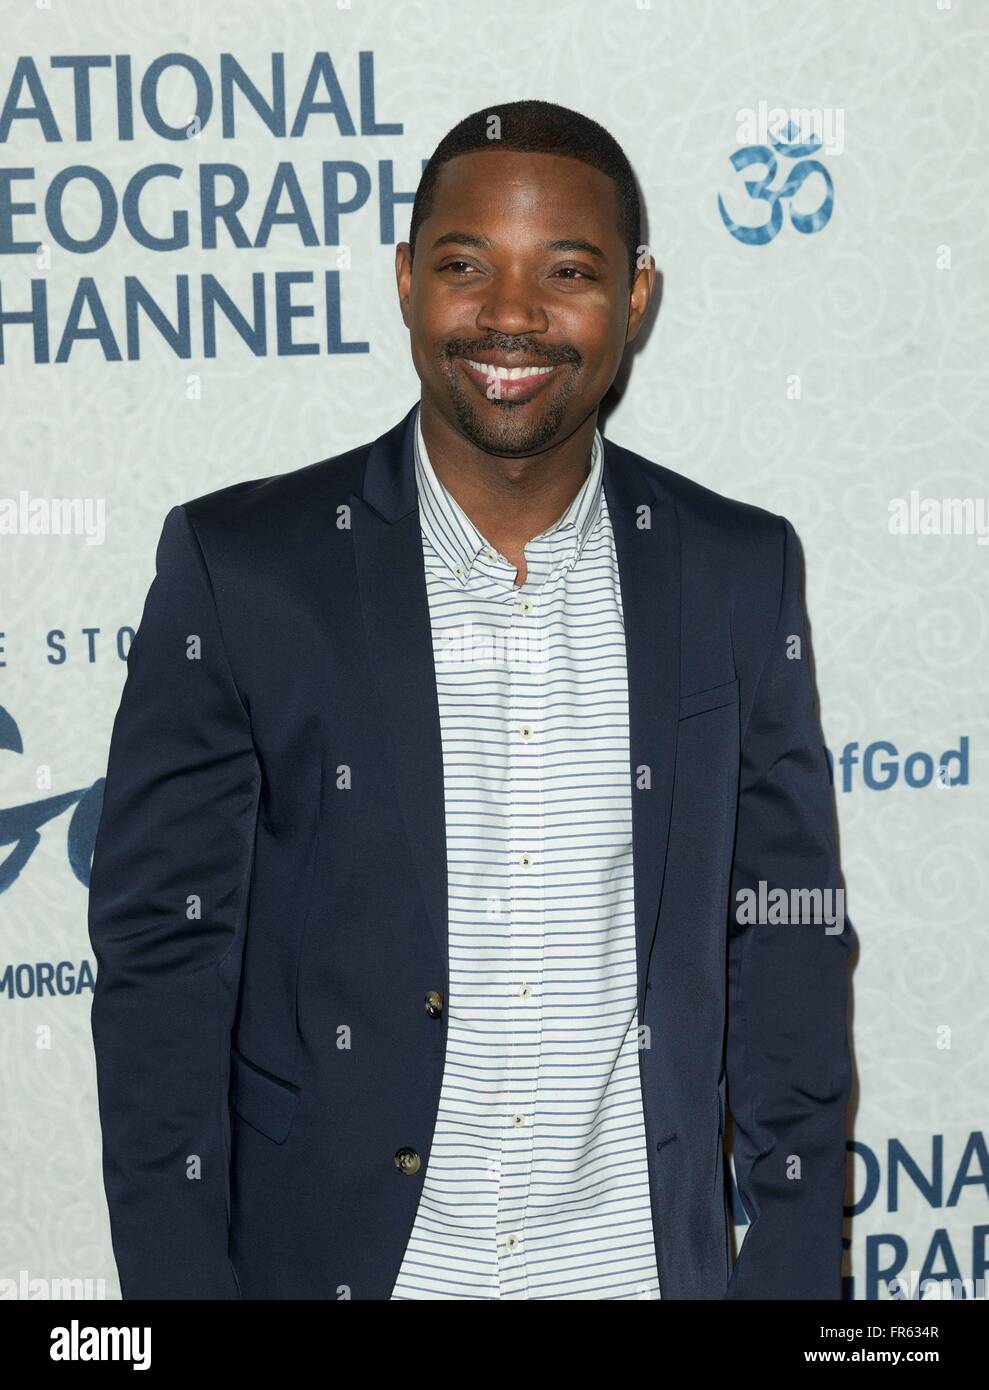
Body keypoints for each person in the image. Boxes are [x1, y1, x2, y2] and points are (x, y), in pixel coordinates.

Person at [87, 98, 853, 1301]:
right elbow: (162, 969)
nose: (509, 314)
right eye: (463, 265)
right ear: (403, 281)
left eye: (566, 270)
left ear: (636, 299)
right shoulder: (244, 571)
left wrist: (796, 1271)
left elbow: (786, 930)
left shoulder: (736, 572)